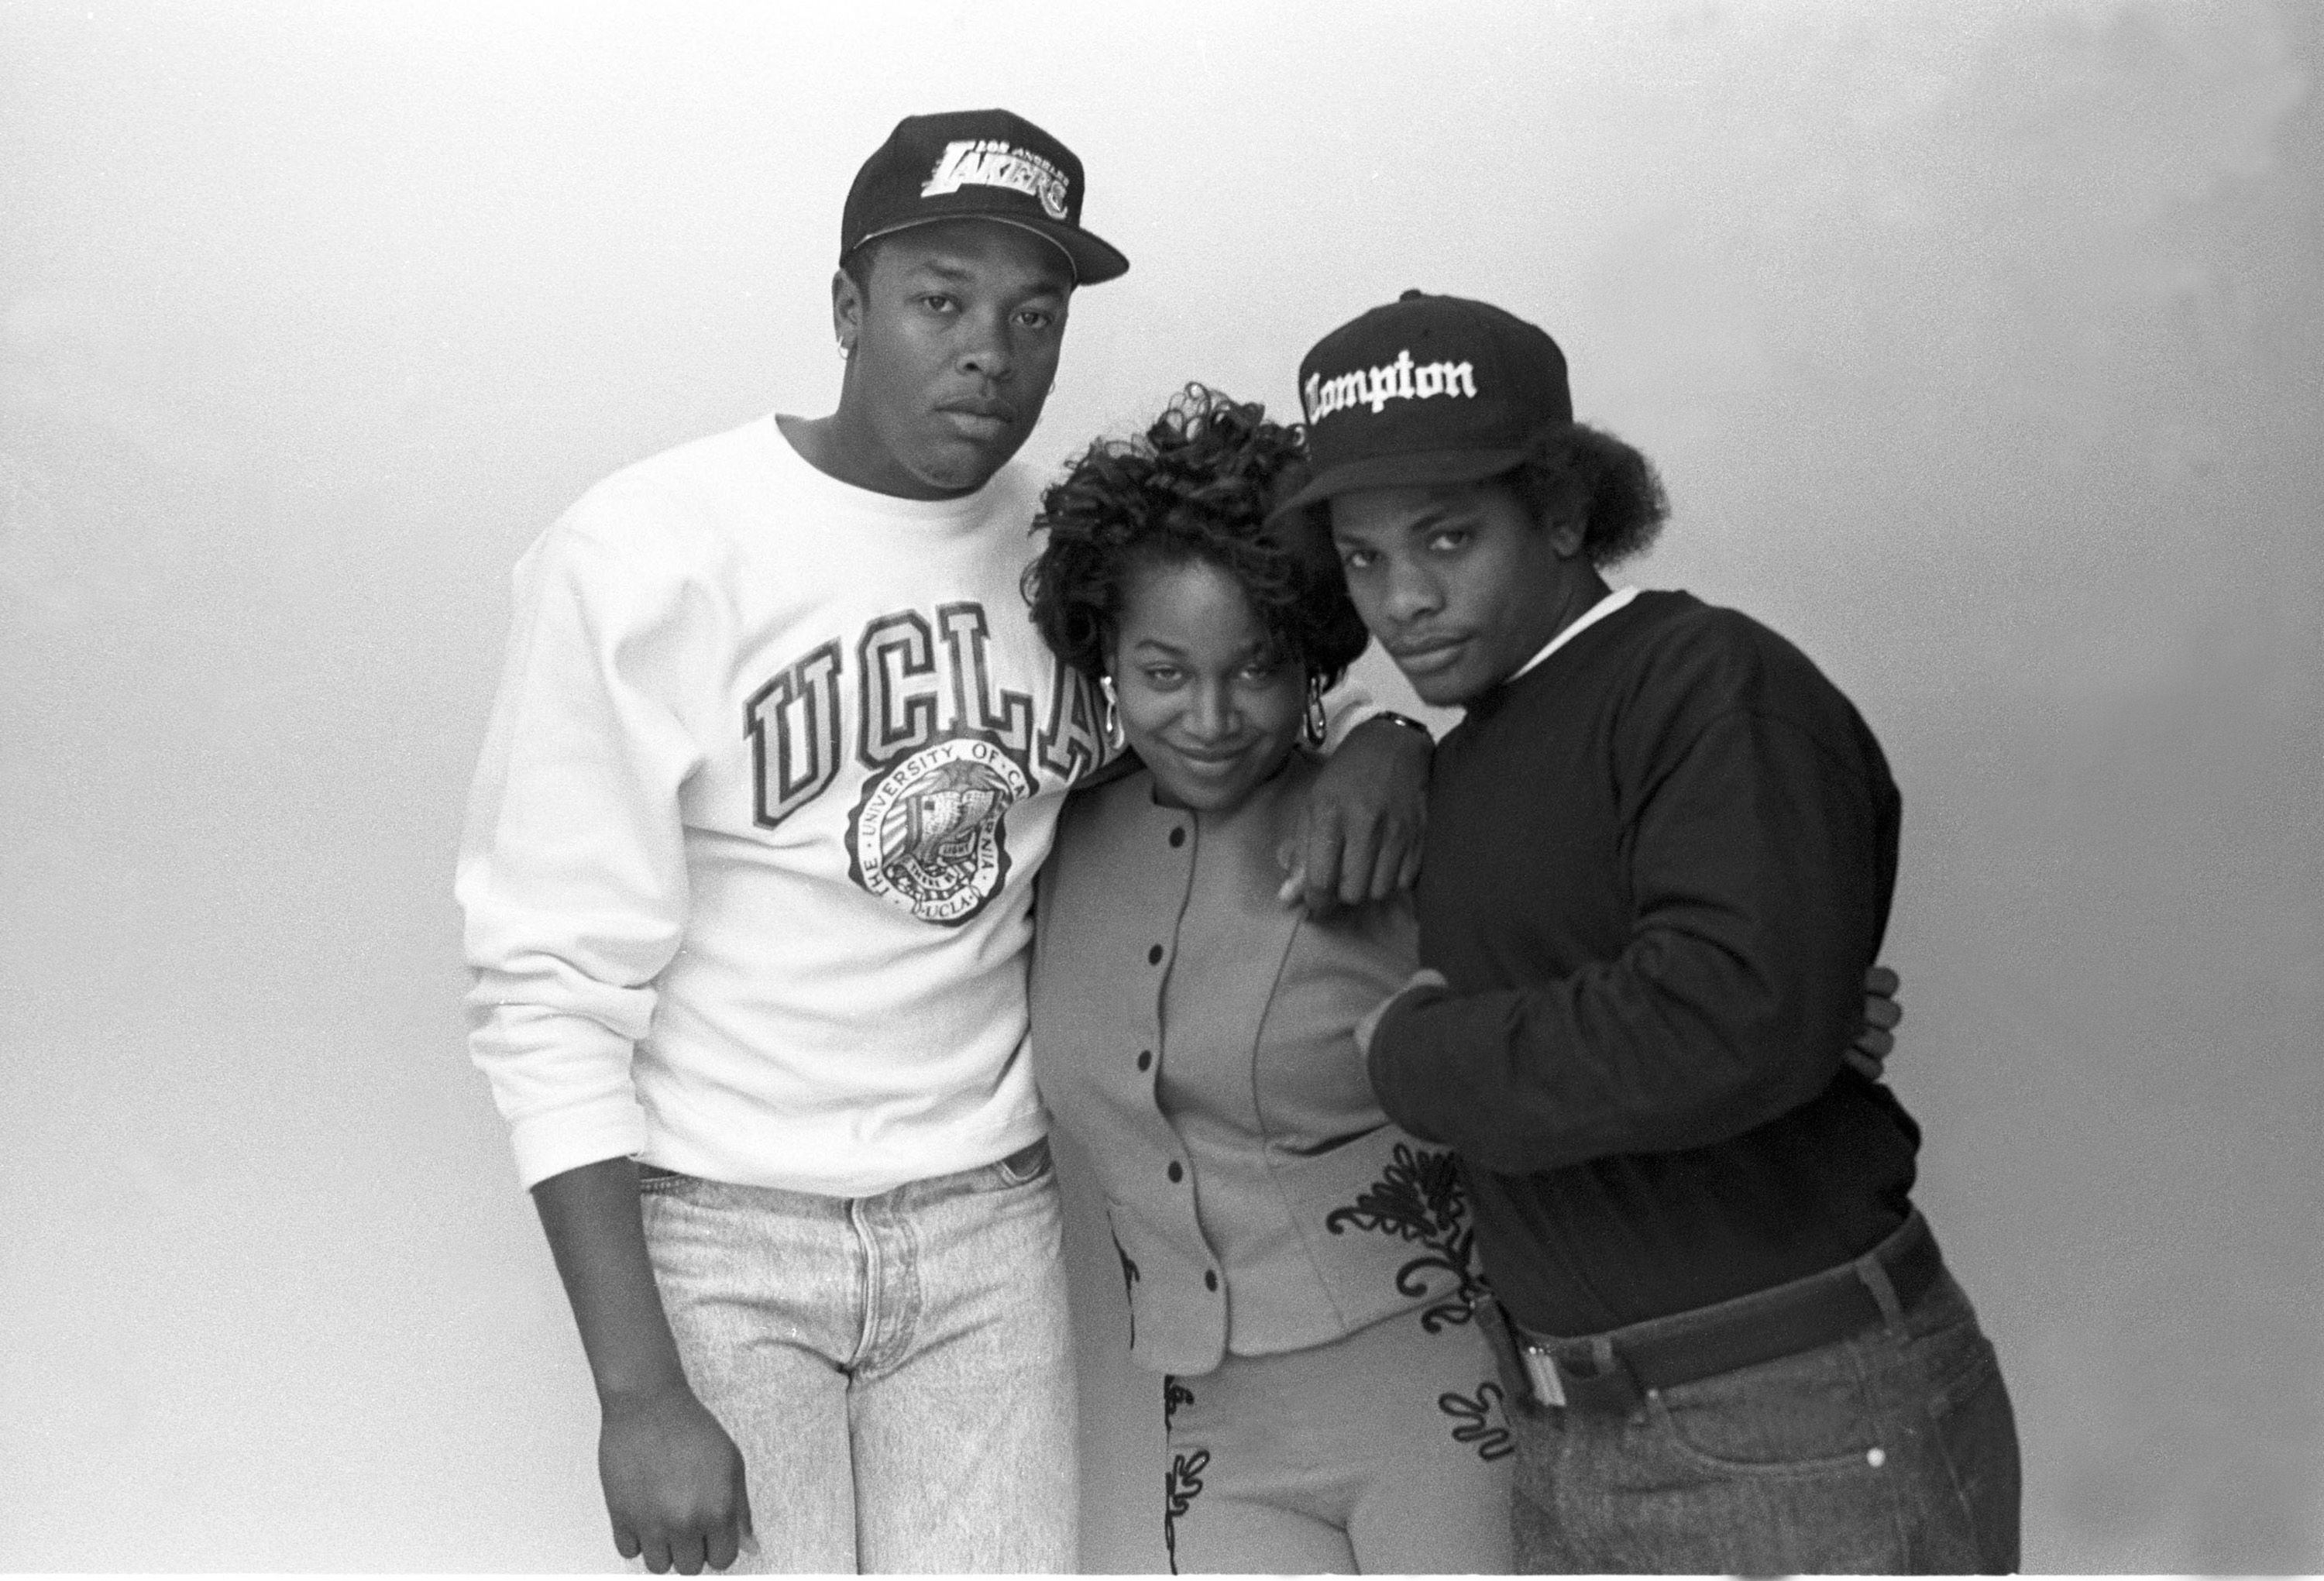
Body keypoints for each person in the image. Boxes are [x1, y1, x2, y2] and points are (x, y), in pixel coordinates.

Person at [456, 112, 1430, 1576]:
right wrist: (638, 1390)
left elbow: (1240, 699)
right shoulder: (647, 551)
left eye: (1034, 316)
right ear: (847, 307)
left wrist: (1387, 736)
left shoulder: (1075, 558)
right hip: (722, 1227)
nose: (990, 352)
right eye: (940, 300)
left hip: (989, 1224)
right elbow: (546, 984)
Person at [1274, 289, 2022, 1573]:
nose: (1405, 600)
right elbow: (1733, 1005)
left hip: (1796, 1416)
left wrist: (1416, 1056)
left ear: (1565, 511)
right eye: (1364, 559)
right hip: (1570, 1435)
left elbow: (1729, 1021)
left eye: (1448, 538)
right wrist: (1384, 735)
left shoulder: (1710, 682)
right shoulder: (1471, 751)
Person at [1023, 387, 1512, 1573]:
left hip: (1444, 1397)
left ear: (1312, 657)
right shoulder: (1048, 843)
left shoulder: (1388, 824)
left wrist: (1794, 1012)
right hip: (1211, 1424)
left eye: (1255, 669)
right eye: (1163, 670)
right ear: (1105, 658)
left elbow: (1605, 999)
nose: (1210, 717)